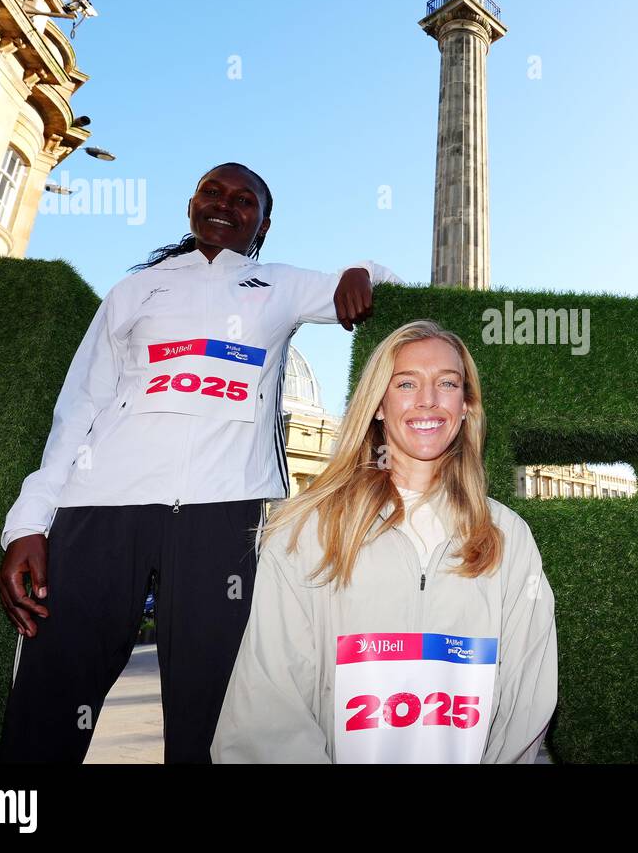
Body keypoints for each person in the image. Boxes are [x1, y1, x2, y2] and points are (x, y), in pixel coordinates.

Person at [0, 162, 399, 763]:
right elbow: (78, 407)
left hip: (224, 514)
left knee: (211, 711)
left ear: (262, 223)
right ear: (190, 203)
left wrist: (364, 270)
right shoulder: (133, 290)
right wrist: (28, 521)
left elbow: (381, 284)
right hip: (101, 506)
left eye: (243, 200)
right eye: (212, 192)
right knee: (49, 698)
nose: (224, 205)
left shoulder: (280, 285)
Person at [212, 320, 557, 763]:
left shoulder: (508, 537)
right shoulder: (306, 532)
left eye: (447, 383)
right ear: (378, 404)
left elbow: (526, 699)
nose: (428, 400)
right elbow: (268, 709)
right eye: (407, 383)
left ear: (467, 405)